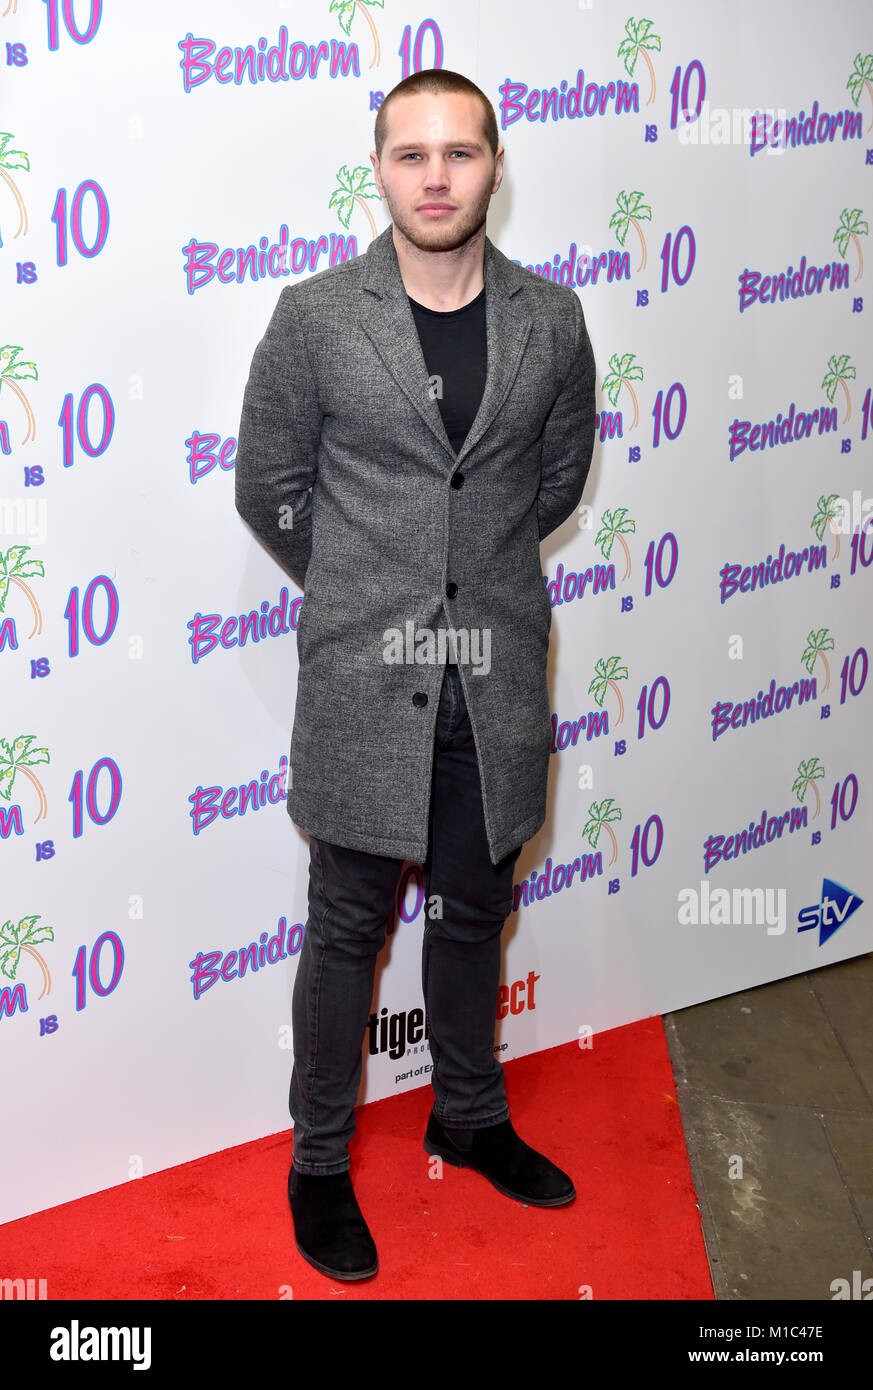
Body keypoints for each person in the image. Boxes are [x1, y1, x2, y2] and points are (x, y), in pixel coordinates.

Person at [235, 68, 596, 1282]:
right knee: (345, 926)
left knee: (474, 908)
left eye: (460, 152)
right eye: (411, 155)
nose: (436, 176)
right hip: (363, 676)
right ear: (379, 168)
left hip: (491, 673)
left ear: (497, 165)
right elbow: (268, 484)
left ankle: (470, 1113)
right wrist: (361, 587)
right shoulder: (318, 316)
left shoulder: (553, 320)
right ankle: (321, 1161)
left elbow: (552, 484)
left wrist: (465, 579)